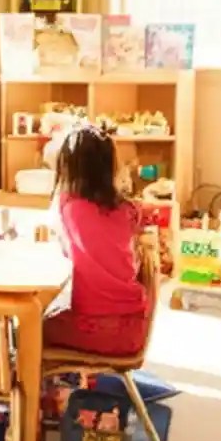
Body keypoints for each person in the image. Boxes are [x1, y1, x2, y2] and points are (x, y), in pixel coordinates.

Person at [44, 126, 150, 356]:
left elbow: (55, 246)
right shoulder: (127, 209)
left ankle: (47, 387)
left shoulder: (69, 207)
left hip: (95, 330)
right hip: (133, 330)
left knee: (25, 327)